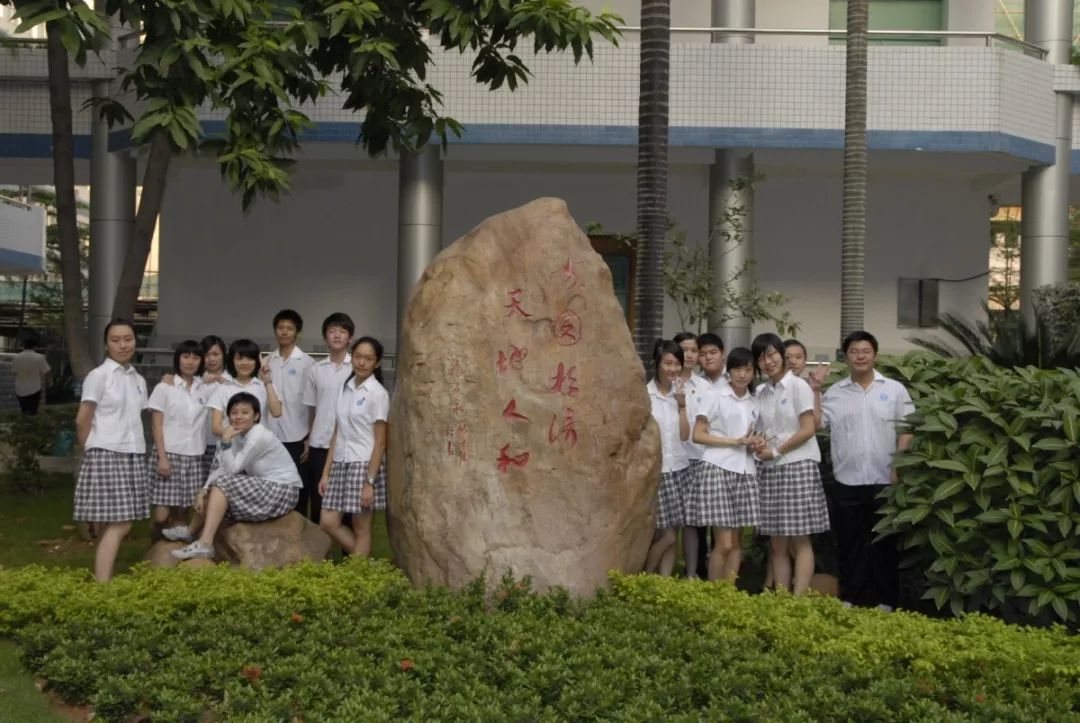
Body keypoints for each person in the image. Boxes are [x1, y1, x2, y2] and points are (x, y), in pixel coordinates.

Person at [816, 330, 914, 611]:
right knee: (849, 544)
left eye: (865, 351)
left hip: (884, 479)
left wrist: (898, 466)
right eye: (854, 352)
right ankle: (851, 596)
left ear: (875, 355)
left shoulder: (894, 390)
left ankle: (886, 600)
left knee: (884, 545)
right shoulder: (835, 393)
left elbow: (907, 429)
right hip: (847, 481)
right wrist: (815, 390)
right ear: (845, 357)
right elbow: (818, 423)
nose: (860, 356)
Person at [170, 393, 302, 560]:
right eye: (234, 412)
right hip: (263, 486)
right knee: (216, 486)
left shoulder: (258, 435)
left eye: (245, 412)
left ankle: (204, 544)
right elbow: (221, 468)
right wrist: (204, 489)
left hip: (282, 490)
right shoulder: (239, 435)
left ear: (256, 416)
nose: (239, 416)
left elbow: (232, 470)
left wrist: (225, 440)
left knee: (222, 484)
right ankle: (190, 532)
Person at [751, 332, 829, 595]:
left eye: (772, 354)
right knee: (776, 542)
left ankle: (798, 600)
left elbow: (808, 429)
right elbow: (761, 430)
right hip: (771, 470)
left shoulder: (798, 386)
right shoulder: (761, 391)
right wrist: (760, 444)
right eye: (761, 358)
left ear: (781, 355)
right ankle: (782, 599)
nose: (768, 361)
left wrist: (776, 451)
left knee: (800, 538)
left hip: (797, 466)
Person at [73, 319, 149, 582]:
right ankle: (103, 585)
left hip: (133, 452)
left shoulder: (138, 379)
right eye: (115, 340)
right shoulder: (98, 376)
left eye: (128, 339)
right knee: (122, 522)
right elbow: (82, 419)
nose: (123, 345)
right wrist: (91, 449)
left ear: (135, 341)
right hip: (106, 452)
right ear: (106, 345)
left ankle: (101, 576)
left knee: (110, 522)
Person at [689, 347, 760, 583]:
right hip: (717, 468)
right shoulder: (715, 395)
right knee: (724, 542)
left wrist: (753, 443)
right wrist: (734, 441)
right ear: (729, 371)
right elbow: (698, 434)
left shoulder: (753, 401)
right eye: (738, 369)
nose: (742, 374)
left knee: (737, 542)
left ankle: (728, 594)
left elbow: (750, 439)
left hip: (745, 470)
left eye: (748, 369)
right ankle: (713, 593)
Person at [318, 337, 389, 557]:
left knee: (361, 529)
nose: (362, 362)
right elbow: (337, 433)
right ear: (352, 357)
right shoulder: (345, 388)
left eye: (368, 358)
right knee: (327, 522)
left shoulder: (378, 394)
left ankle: (359, 575)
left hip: (364, 464)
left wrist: (370, 481)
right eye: (358, 356)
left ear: (376, 363)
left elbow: (380, 442)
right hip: (341, 462)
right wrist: (326, 472)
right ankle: (365, 563)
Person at [148, 341, 208, 535]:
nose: (190, 362)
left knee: (184, 511)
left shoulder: (204, 387)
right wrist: (162, 458)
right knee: (162, 513)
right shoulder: (165, 387)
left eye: (195, 357)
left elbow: (224, 380)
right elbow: (156, 424)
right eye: (186, 356)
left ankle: (175, 552)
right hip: (169, 453)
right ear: (178, 359)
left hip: (193, 454)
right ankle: (156, 546)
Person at [644, 340, 691, 576]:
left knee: (675, 532)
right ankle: (647, 574)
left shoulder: (682, 394)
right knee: (667, 535)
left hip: (680, 468)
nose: (673, 369)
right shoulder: (645, 394)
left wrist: (682, 406)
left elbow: (685, 435)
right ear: (657, 364)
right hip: (658, 471)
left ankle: (664, 581)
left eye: (677, 364)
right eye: (668, 363)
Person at [303, 313, 355, 524]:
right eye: (332, 331)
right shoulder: (315, 370)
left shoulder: (356, 368)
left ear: (349, 338)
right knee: (318, 501)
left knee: (347, 506)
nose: (337, 335)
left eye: (342, 331)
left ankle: (348, 556)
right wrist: (308, 437)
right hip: (319, 445)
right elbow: (312, 409)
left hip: (347, 446)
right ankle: (319, 554)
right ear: (325, 336)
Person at [264, 309, 315, 512]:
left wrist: (309, 436)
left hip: (297, 437)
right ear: (275, 331)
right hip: (271, 436)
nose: (284, 332)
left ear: (297, 333)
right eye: (280, 328)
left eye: (289, 328)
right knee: (273, 488)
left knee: (298, 491)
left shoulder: (307, 364)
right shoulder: (267, 362)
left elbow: (313, 404)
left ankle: (300, 537)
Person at [673, 330, 707, 579]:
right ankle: (663, 571)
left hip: (697, 457)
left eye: (694, 350)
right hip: (671, 458)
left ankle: (691, 572)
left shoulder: (705, 386)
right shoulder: (663, 383)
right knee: (669, 522)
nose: (690, 355)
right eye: (684, 350)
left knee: (693, 521)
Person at [208, 339, 281, 439]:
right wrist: (239, 437)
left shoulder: (265, 386)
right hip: (230, 449)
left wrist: (267, 382)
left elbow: (277, 412)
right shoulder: (222, 389)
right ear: (232, 361)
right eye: (239, 358)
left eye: (250, 359)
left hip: (258, 448)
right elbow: (216, 428)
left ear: (256, 362)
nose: (244, 363)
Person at [12, 335, 51, 415]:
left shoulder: (17, 357)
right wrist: (49, 382)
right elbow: (47, 372)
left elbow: (14, 372)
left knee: (24, 410)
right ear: (34, 347)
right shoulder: (39, 357)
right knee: (33, 411)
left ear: (24, 346)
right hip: (34, 389)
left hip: (20, 389)